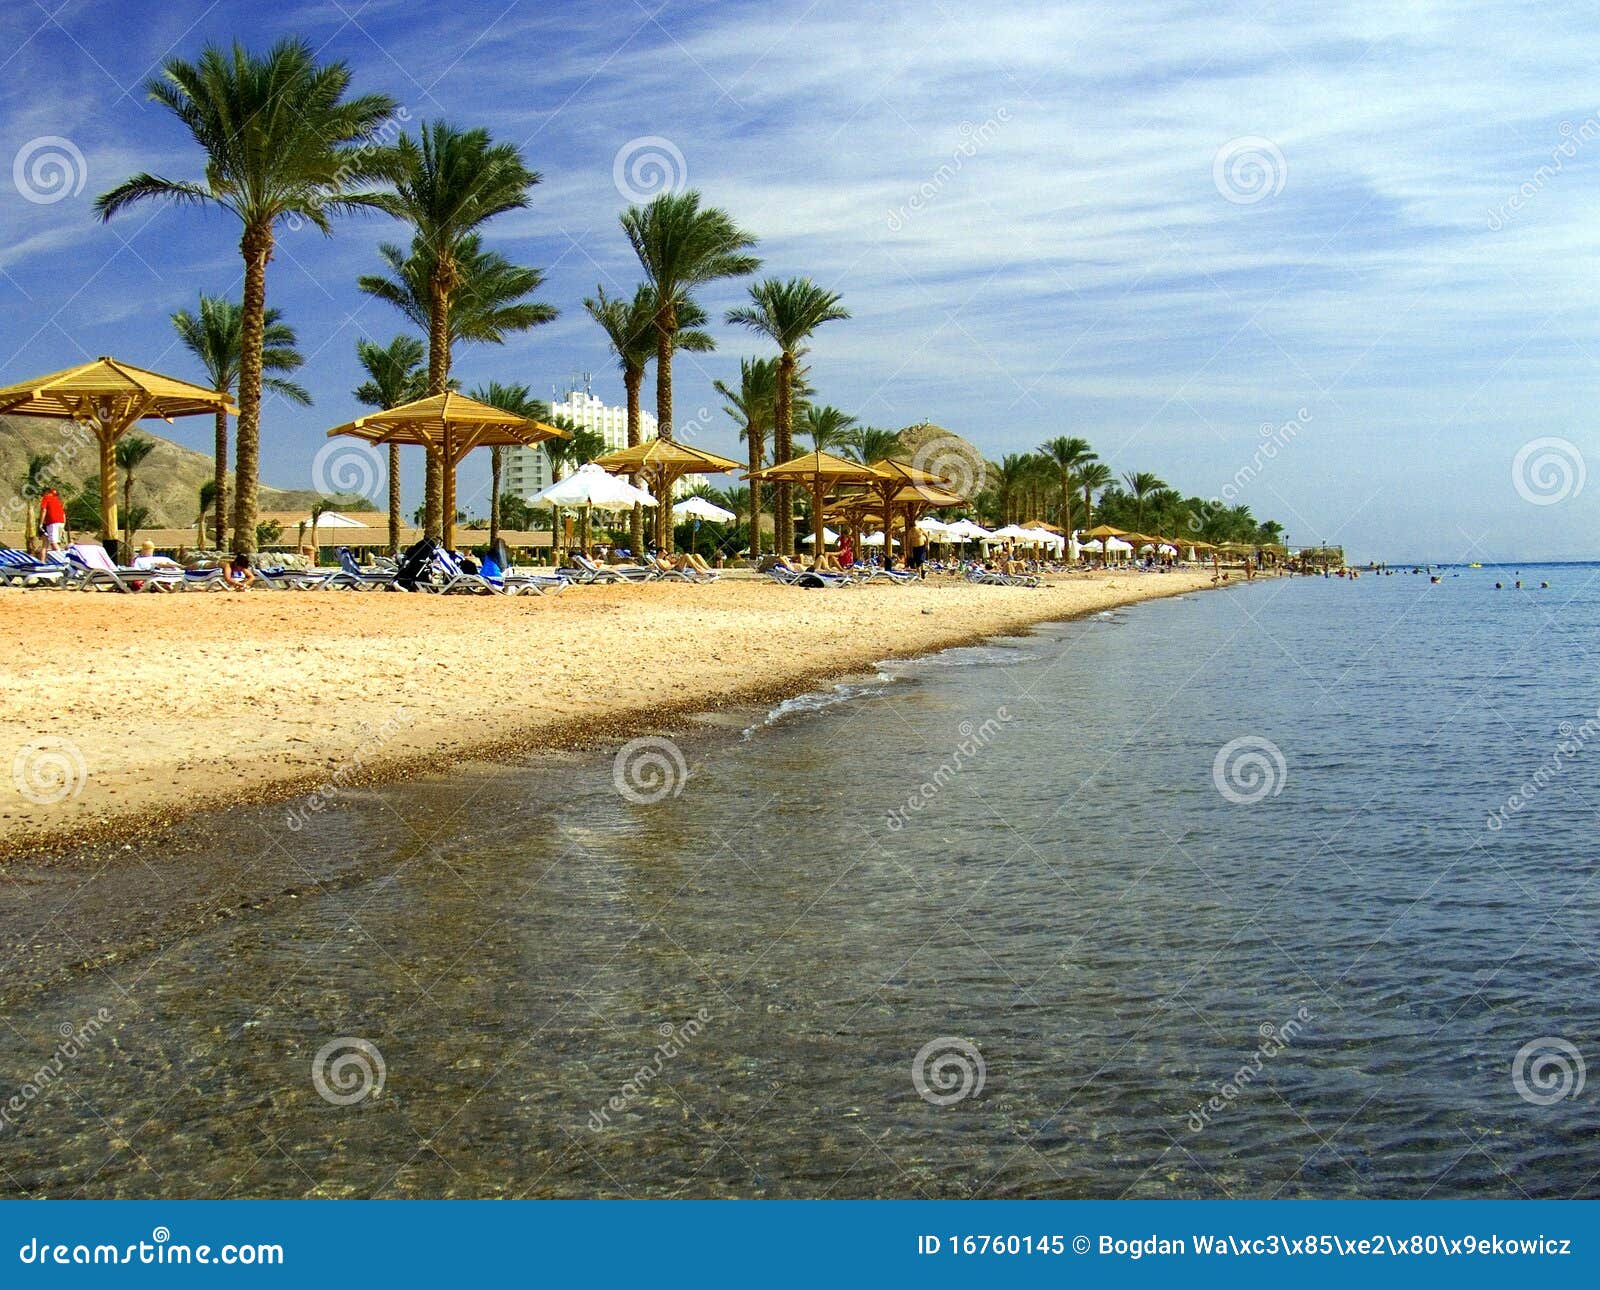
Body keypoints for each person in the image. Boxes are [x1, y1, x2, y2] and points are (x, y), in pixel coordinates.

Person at [38, 487, 66, 551]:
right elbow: (63, 514)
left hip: (53, 522)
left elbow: (44, 510)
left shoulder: (46, 498)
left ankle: (61, 556)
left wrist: (41, 523)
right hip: (61, 522)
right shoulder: (57, 500)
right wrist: (63, 525)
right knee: (56, 542)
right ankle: (58, 555)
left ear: (46, 493)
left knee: (53, 542)